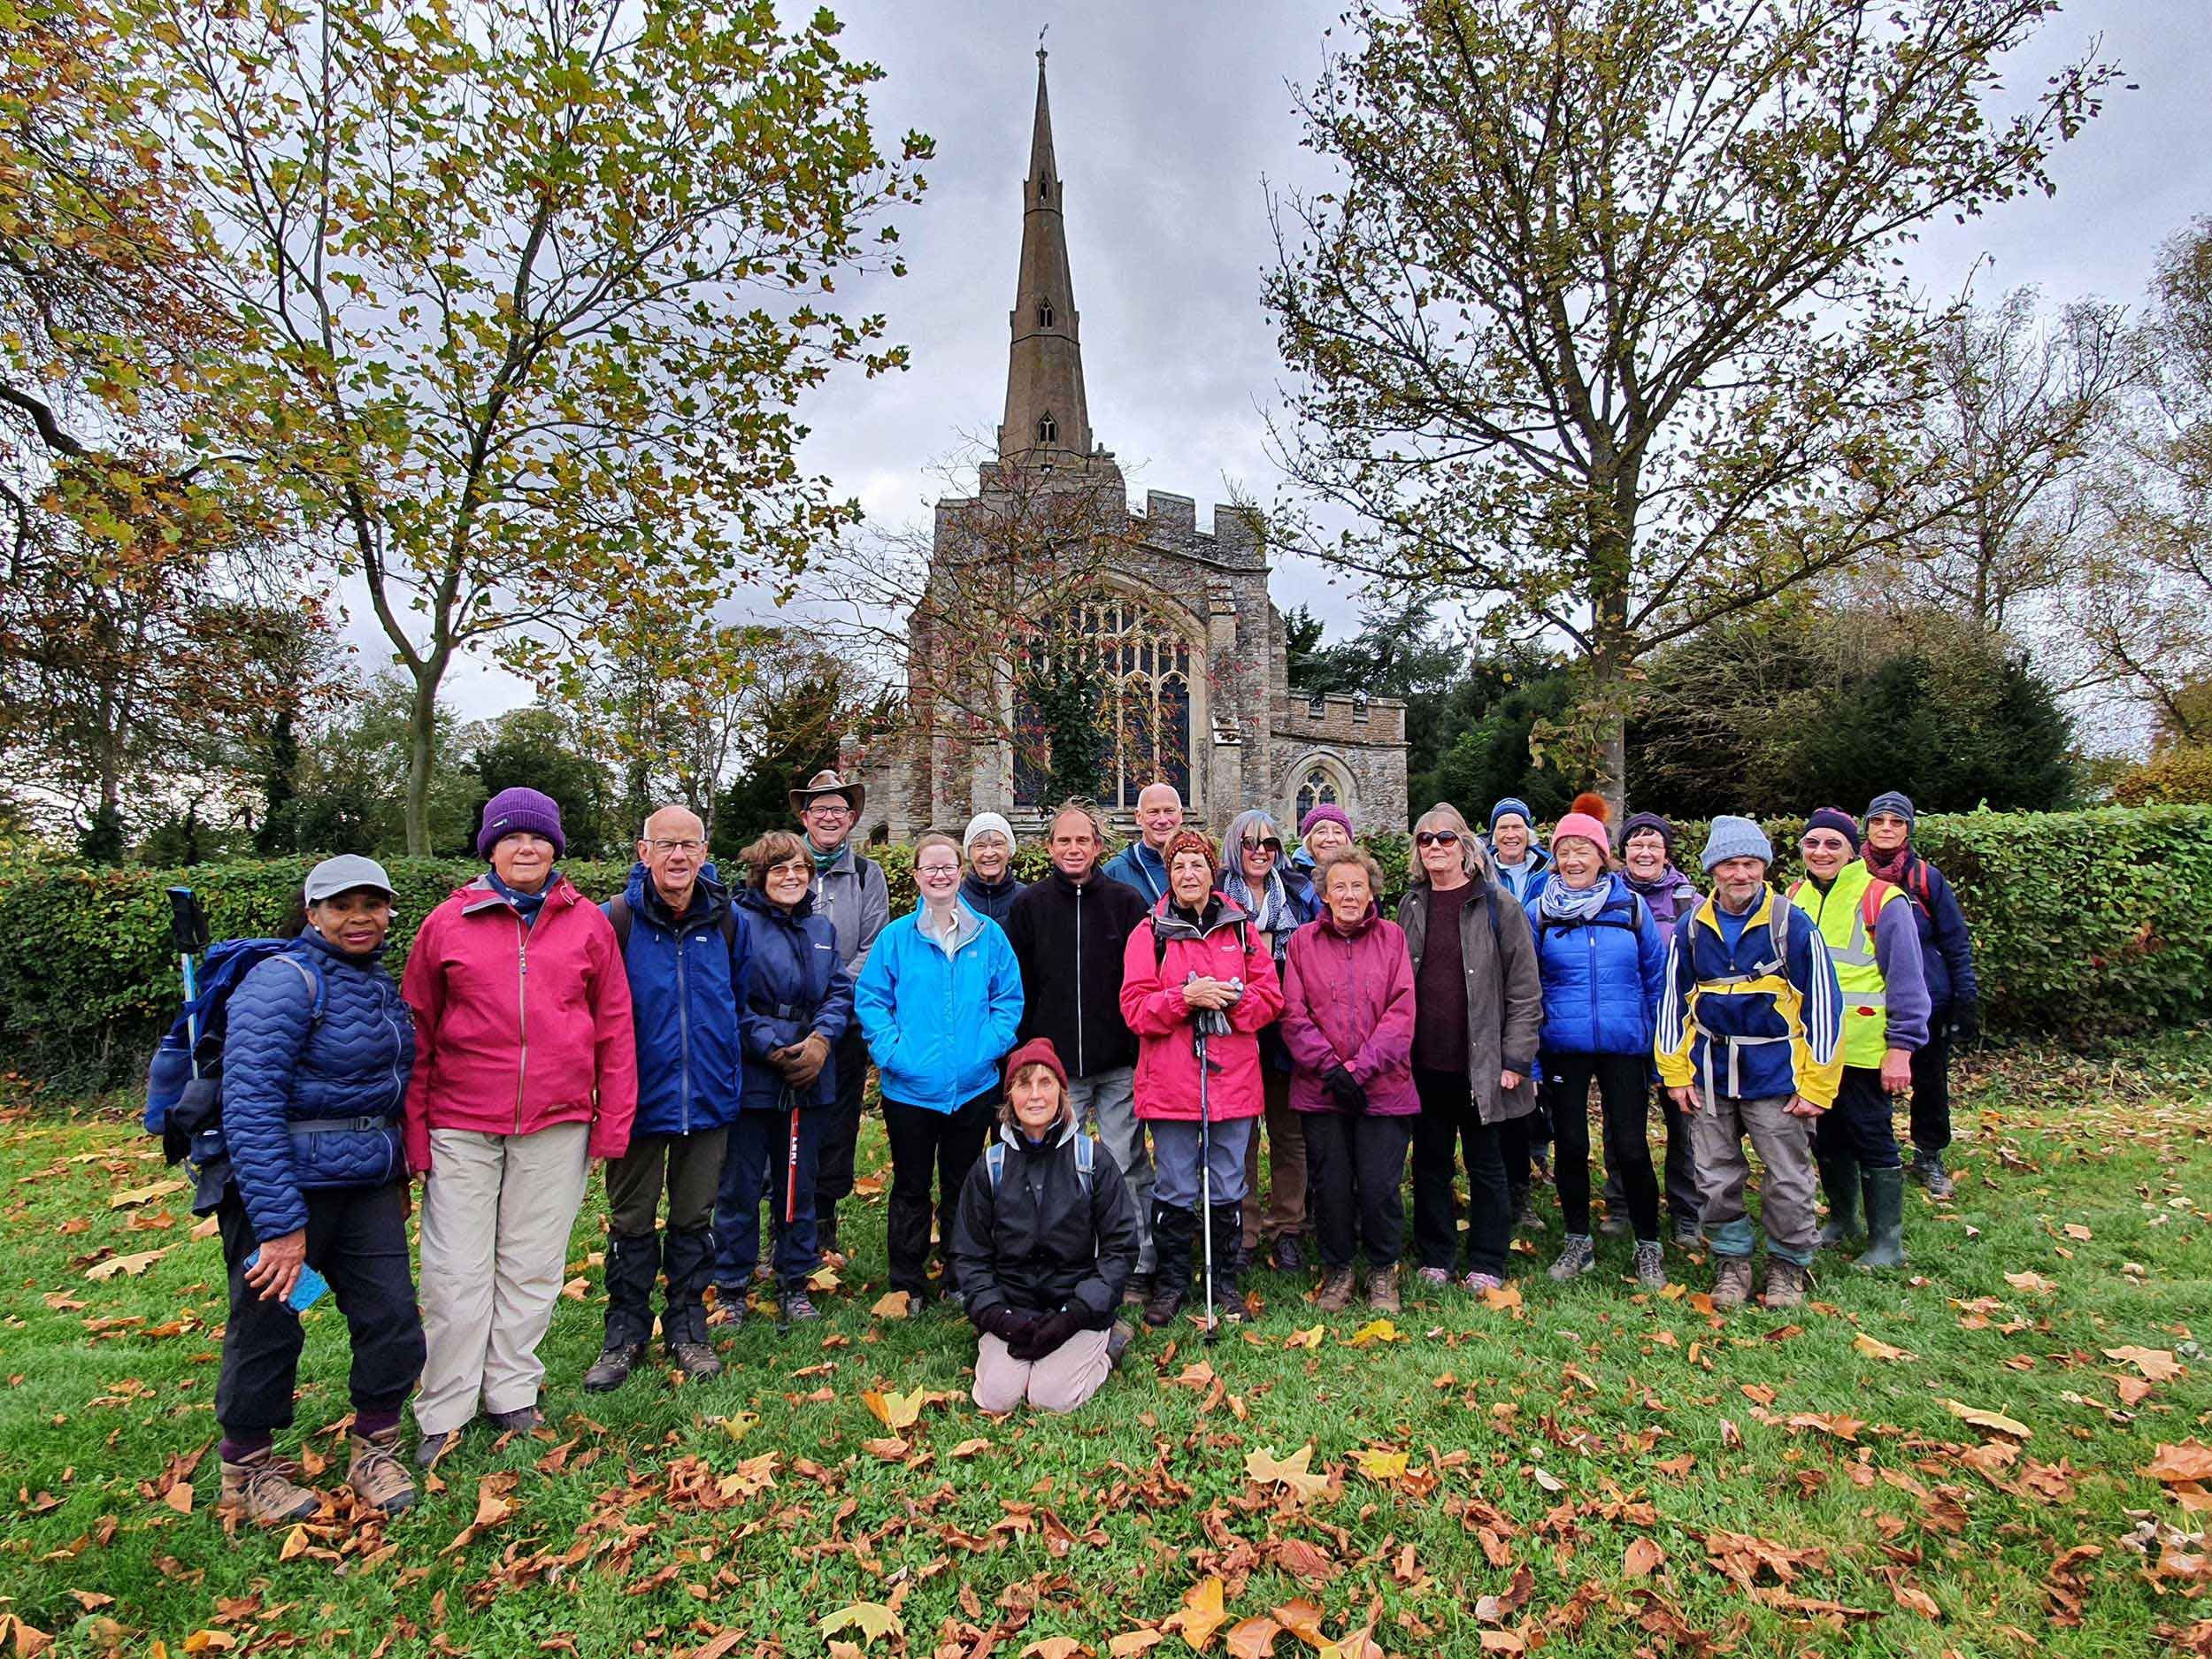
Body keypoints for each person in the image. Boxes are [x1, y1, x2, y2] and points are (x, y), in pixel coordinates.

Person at [403, 788, 636, 1463]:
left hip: (557, 1121)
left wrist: (611, 1125)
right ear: (490, 850)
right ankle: (444, 1403)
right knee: (455, 1271)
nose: (527, 849)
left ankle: (511, 1389)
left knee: (532, 1265)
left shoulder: (586, 923)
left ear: (555, 848)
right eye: (511, 839)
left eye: (538, 839)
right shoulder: (447, 923)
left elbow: (615, 1029)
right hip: (462, 1120)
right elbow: (415, 1034)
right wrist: (414, 1135)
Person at [212, 856, 425, 1523]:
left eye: (373, 903)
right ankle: (246, 1466)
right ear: (313, 914)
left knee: (389, 1313)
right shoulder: (282, 983)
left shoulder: (377, 982)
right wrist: (280, 1224)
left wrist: (395, 1171)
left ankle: (376, 1443)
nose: (359, 917)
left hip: (364, 1187)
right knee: (272, 1320)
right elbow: (248, 1106)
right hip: (288, 1194)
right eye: (341, 905)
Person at [584, 807, 749, 1394]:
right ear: (642, 850)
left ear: (705, 852)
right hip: (638, 1098)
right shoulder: (615, 921)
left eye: (690, 845)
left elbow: (741, 997)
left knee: (693, 1218)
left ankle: (687, 1325)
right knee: (631, 1220)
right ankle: (625, 1328)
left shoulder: (729, 922)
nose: (678, 856)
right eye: (666, 845)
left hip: (707, 1095)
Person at [1655, 817, 1843, 1310]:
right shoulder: (1691, 928)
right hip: (1710, 1074)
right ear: (1713, 871)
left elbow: (1823, 1006)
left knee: (1787, 1177)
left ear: (1764, 867)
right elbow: (1672, 1003)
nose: (1741, 874)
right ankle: (1732, 1261)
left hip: (1777, 1074)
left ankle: (1788, 1265)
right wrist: (1676, 1075)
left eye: (1750, 864)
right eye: (1730, 865)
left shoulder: (1791, 923)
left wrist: (1817, 1085)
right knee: (1715, 1176)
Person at [855, 831, 1025, 1310]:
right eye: (930, 867)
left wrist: (987, 1049)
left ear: (960, 870)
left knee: (963, 1182)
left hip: (973, 1085)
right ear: (916, 877)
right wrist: (893, 1053)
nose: (940, 875)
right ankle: (906, 1279)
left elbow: (1008, 1000)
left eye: (948, 866)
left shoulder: (987, 937)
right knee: (910, 1184)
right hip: (910, 1089)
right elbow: (871, 1000)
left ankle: (960, 1272)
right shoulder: (895, 938)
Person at [1120, 830, 1283, 1329]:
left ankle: (1224, 1281)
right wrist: (1182, 1000)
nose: (1188, 875)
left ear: (1213, 872)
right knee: (1172, 1182)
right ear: (1168, 876)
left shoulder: (1240, 930)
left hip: (1231, 1078)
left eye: (1197, 865)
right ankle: (1170, 1283)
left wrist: (1233, 1002)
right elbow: (1134, 1008)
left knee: (1229, 1180)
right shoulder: (1148, 932)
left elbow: (1271, 997)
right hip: (1171, 1080)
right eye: (1179, 867)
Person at [1003, 800, 1157, 1299]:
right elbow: (1018, 985)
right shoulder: (1028, 907)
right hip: (1054, 1068)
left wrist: (1136, 1046)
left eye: (1082, 840)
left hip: (1116, 1061)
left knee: (1123, 1160)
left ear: (1097, 846)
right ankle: (1061, 1261)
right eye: (1063, 840)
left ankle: (1137, 1262)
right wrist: (1028, 1052)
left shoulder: (1127, 902)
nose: (1074, 848)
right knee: (1053, 1165)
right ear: (1049, 847)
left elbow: (1142, 979)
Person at [1524, 795, 1671, 1287]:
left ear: (1602, 855)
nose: (1572, 860)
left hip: (1624, 1043)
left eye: (1583, 849)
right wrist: (1535, 1060)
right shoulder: (1538, 912)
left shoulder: (1629, 908)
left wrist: (1654, 1044)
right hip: (1562, 1044)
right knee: (1569, 1146)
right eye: (1564, 851)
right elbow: (1528, 985)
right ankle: (1577, 1240)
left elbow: (1655, 977)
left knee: (1630, 1146)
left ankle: (1648, 1243)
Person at [1398, 806, 1543, 1294]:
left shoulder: (1499, 907)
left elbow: (1525, 989)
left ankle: (1487, 1258)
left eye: (1445, 838)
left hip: (1481, 1063)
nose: (1435, 847)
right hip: (1425, 1063)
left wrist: (1515, 1058)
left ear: (1465, 845)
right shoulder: (1411, 905)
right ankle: (1436, 1254)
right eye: (1425, 840)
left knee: (1487, 1165)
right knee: (1431, 1164)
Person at [951, 1039, 1140, 1414]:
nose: (1035, 1095)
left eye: (1046, 1083)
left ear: (1061, 1092)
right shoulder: (991, 1167)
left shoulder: (1092, 1160)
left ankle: (1109, 1346)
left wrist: (1074, 1316)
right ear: (1010, 1098)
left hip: (1076, 1308)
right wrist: (1000, 1319)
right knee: (996, 1399)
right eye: (1024, 1084)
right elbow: (969, 1257)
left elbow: (1120, 1249)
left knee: (1050, 1399)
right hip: (1012, 1306)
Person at [716, 831, 856, 1325]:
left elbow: (839, 992)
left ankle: (794, 1278)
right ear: (762, 875)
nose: (792, 877)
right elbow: (730, 997)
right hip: (755, 1074)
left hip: (809, 1075)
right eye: (780, 869)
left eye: (799, 868)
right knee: (740, 1182)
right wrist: (769, 1045)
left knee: (799, 1181)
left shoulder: (821, 928)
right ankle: (731, 1283)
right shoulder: (739, 923)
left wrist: (821, 1041)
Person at [1790, 809, 1931, 1270]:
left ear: (1852, 850)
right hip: (1811, 1049)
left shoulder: (1882, 901)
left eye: (1833, 844)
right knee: (1826, 1138)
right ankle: (1842, 1219)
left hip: (1865, 1048)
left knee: (1872, 1136)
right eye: (1812, 844)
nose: (1821, 852)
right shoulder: (1793, 898)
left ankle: (1887, 1243)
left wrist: (1901, 1048)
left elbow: (1908, 980)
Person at [1279, 848, 1417, 1312]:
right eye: (1339, 886)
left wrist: (1359, 1070)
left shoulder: (1393, 938)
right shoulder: (1302, 943)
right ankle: (1338, 1270)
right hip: (1322, 1089)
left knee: (1379, 1186)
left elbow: (1402, 1011)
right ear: (1323, 892)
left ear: (1372, 890)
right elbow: (1293, 1014)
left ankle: (1383, 1270)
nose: (1349, 894)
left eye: (1358, 885)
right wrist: (1332, 1068)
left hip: (1384, 1086)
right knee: (1331, 1185)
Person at [791, 770, 889, 1266]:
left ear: (852, 819)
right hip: (790, 1026)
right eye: (820, 810)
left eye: (839, 811)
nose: (830, 818)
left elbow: (871, 947)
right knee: (786, 1124)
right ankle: (787, 1222)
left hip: (843, 1026)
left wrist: (831, 1000)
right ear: (805, 817)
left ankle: (824, 1221)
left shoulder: (869, 876)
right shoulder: (786, 868)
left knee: (838, 1122)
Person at [1863, 791, 1980, 1199]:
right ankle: (1874, 1156)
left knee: (1930, 1082)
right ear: (1868, 827)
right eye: (1879, 821)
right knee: (1868, 1084)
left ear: (1908, 829)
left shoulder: (1926, 879)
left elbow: (1954, 939)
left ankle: (1929, 1153)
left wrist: (1965, 995)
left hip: (1929, 998)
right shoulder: (1851, 876)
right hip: (1868, 1001)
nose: (1887, 829)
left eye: (1896, 822)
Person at [1219, 807, 1320, 1272]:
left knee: (1288, 1132)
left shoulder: (1298, 895)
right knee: (1240, 1135)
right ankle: (1244, 1231)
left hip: (1286, 1023)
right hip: (1235, 1023)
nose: (1260, 852)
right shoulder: (1218, 898)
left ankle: (1288, 1228)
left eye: (1270, 844)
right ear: (1234, 847)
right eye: (1250, 843)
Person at [1607, 811, 1704, 1244]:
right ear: (1623, 852)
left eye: (1654, 846)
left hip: (1679, 1028)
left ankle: (1687, 1209)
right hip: (1626, 1024)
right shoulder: (1605, 896)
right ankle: (1621, 1203)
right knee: (1621, 1120)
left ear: (1666, 853)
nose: (1644, 853)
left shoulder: (1690, 902)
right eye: (1636, 845)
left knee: (1683, 1120)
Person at [1101, 780, 1186, 904]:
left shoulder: (1199, 867)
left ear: (1181, 815)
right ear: (1138, 817)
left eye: (1169, 811)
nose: (1162, 820)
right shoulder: (1115, 872)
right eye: (1153, 812)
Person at [960, 812, 1025, 925]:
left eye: (997, 844)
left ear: (1009, 850)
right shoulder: (955, 899)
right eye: (980, 846)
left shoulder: (1026, 898)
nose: (989, 853)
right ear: (969, 853)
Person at [1487, 798, 1553, 904]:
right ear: (1494, 835)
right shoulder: (1481, 871)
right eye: (1503, 828)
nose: (1510, 835)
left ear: (1528, 834)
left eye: (1517, 827)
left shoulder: (1550, 868)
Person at [1289, 802, 1353, 877]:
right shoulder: (1291, 878)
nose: (1330, 839)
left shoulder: (1362, 876)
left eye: (1338, 832)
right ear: (1309, 840)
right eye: (1322, 832)